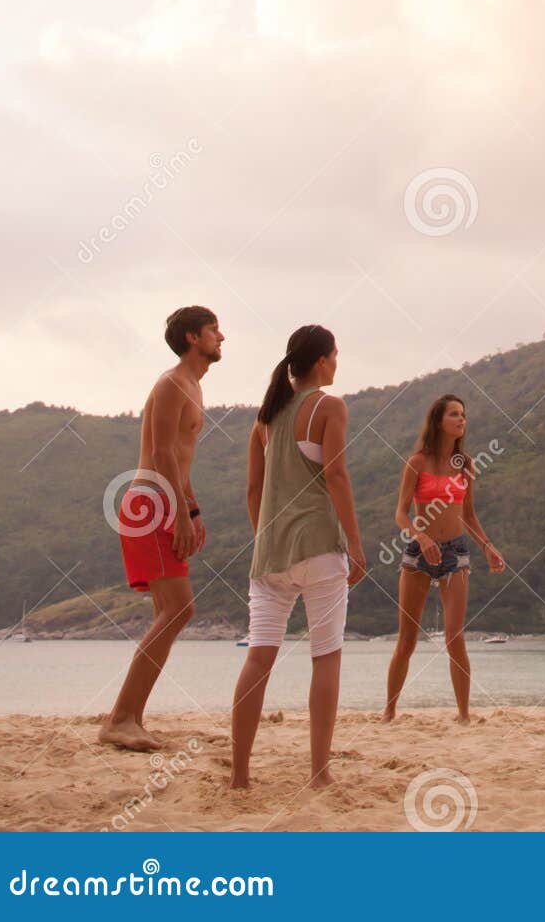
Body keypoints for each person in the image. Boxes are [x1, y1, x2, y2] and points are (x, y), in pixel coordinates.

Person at [230, 325, 366, 790]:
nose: (337, 363)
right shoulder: (329, 406)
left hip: (269, 554)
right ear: (323, 360)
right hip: (320, 548)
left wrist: (265, 536)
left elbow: (252, 489)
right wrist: (357, 543)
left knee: (258, 658)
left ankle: (241, 776)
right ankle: (318, 774)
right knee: (325, 658)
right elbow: (337, 476)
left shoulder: (265, 418)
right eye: (336, 354)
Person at [100, 306, 223, 751]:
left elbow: (180, 458)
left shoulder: (192, 386)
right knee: (179, 610)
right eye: (213, 330)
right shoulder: (172, 384)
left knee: (168, 612)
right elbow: (160, 451)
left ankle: (129, 717)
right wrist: (178, 512)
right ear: (193, 338)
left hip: (165, 501)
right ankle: (119, 719)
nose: (221, 337)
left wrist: (194, 509)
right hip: (150, 504)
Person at [383, 395, 504, 724]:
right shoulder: (416, 463)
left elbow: (468, 515)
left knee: (455, 638)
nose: (461, 419)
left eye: (463, 414)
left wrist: (488, 546)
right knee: (407, 639)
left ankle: (464, 715)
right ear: (439, 421)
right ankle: (389, 712)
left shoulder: (465, 465)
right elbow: (400, 514)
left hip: (456, 553)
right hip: (418, 554)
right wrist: (420, 536)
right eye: (454, 414)